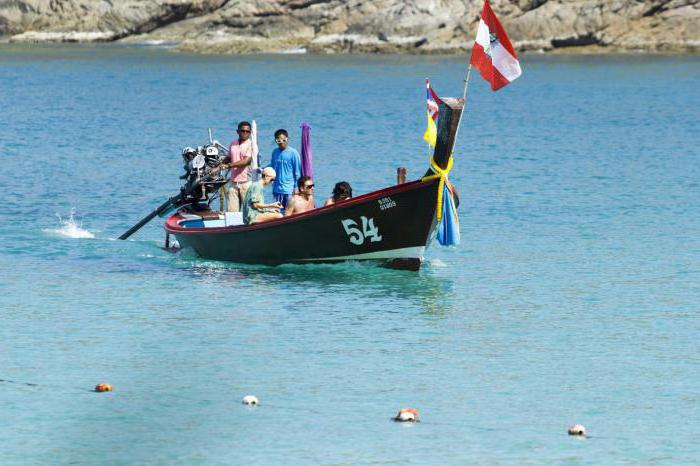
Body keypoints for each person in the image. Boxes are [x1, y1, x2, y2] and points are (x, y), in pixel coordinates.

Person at [267, 129, 301, 209]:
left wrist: (296, 187)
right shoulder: (275, 152)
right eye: (279, 141)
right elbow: (272, 166)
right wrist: (261, 169)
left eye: (284, 140)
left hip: (289, 189)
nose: (282, 142)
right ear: (276, 141)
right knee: (277, 212)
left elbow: (297, 172)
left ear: (288, 139)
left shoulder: (293, 153)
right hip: (276, 189)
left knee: (290, 212)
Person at [224, 121, 254, 212]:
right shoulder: (233, 143)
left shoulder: (251, 144)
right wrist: (219, 163)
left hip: (246, 182)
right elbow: (229, 157)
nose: (245, 133)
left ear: (250, 132)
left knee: (248, 211)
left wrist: (230, 165)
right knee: (232, 211)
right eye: (243, 131)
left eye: (247, 131)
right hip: (233, 182)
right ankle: (233, 226)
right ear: (238, 131)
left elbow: (246, 161)